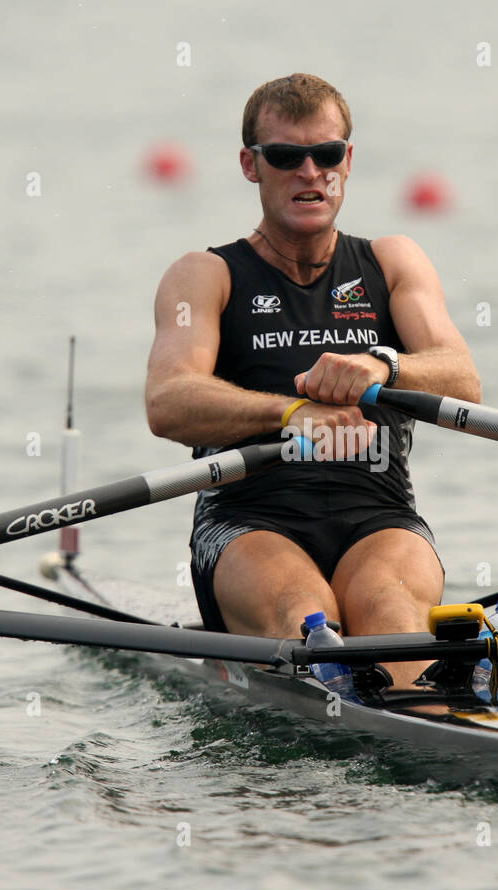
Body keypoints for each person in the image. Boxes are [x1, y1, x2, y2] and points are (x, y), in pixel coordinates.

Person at [145, 73, 480, 692]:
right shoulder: (205, 275)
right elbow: (168, 401)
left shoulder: (392, 260)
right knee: (307, 613)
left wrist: (387, 366)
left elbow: (463, 380)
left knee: (391, 614)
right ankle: (345, 693)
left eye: (326, 154)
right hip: (248, 520)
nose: (310, 171)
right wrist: (291, 414)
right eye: (285, 156)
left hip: (379, 515)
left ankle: (419, 706)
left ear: (347, 162)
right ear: (251, 165)